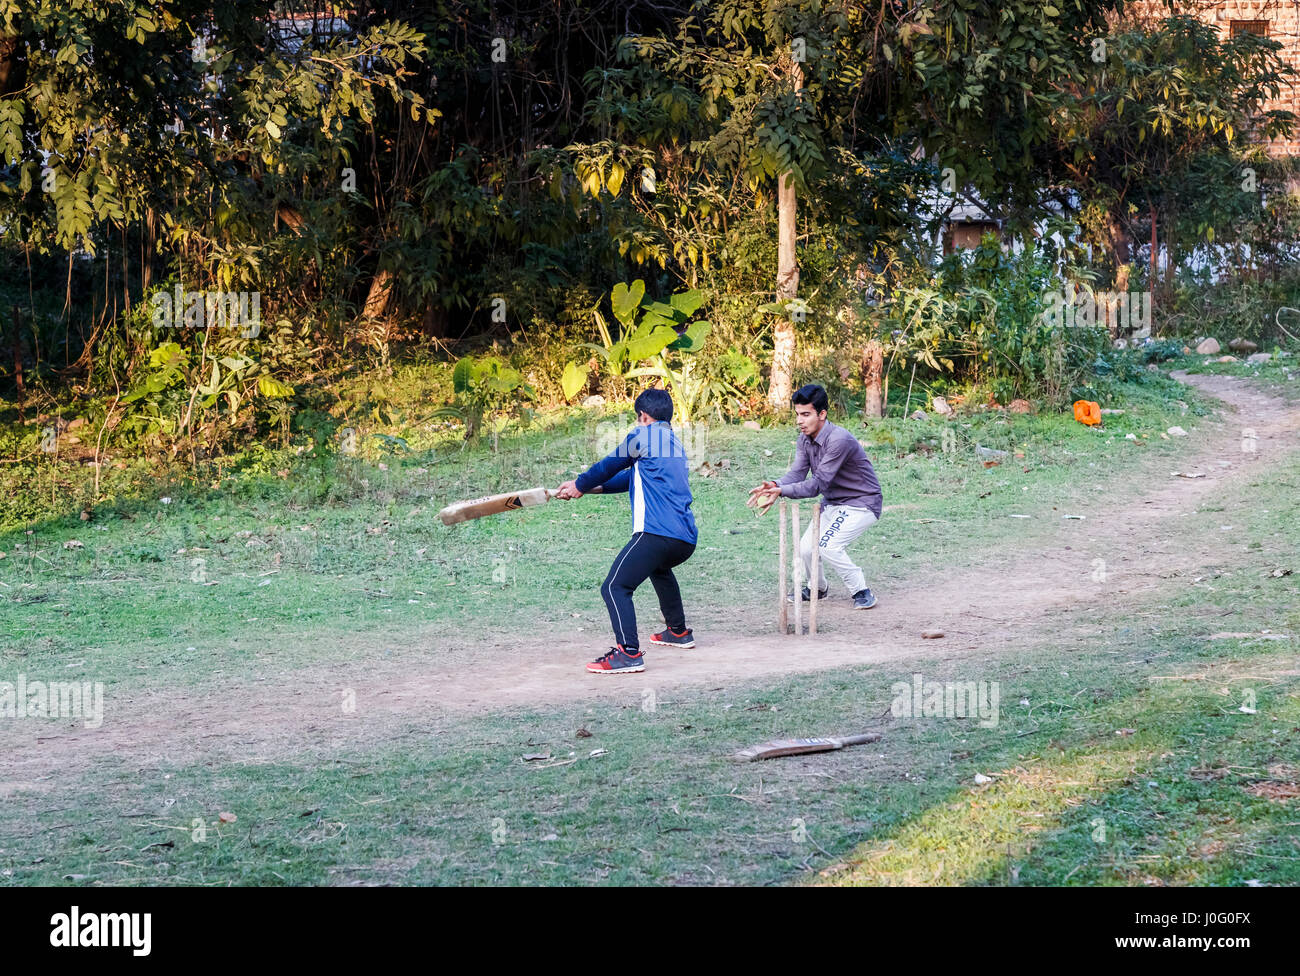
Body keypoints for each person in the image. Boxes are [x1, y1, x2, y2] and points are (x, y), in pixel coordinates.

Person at [556, 389, 698, 674]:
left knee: (614, 586)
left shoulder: (641, 437)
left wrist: (580, 483)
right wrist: (581, 489)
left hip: (656, 534)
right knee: (658, 567)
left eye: (637, 419)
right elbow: (626, 478)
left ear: (643, 417)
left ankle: (629, 653)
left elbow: (608, 465)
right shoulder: (674, 445)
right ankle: (678, 632)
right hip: (684, 539)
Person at [749, 383, 883, 609]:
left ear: (822, 414)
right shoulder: (804, 439)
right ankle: (817, 589)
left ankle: (861, 591)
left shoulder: (838, 439)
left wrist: (782, 492)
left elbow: (817, 485)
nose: (799, 421)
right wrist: (774, 485)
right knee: (805, 549)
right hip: (832, 504)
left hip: (862, 503)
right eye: (798, 414)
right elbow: (797, 473)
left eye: (806, 414)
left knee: (827, 546)